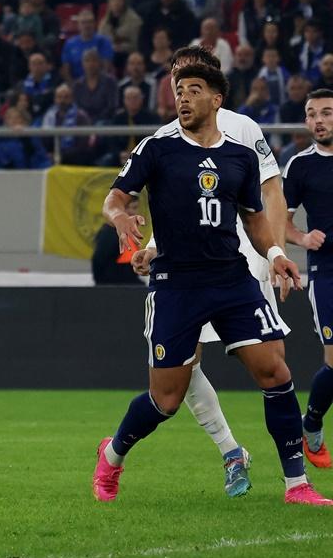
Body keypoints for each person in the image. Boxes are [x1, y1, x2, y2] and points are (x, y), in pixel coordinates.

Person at [98, 63, 331, 506]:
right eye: (178, 90)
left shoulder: (239, 156)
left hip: (230, 279)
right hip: (176, 286)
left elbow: (256, 221)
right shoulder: (158, 148)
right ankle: (112, 455)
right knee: (166, 398)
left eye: (193, 90)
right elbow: (115, 198)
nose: (182, 98)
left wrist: (278, 254)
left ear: (216, 100)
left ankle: (296, 486)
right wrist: (121, 217)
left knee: (275, 373)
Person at [132, 46, 290, 496]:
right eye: (176, 81)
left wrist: (273, 253)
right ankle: (230, 451)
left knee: (270, 365)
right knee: (182, 369)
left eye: (191, 81)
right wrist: (151, 247)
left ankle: (298, 457)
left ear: (214, 87)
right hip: (183, 273)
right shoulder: (164, 136)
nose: (182, 91)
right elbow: (172, 209)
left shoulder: (243, 129)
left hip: (241, 264)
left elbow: (270, 192)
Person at [282, 88, 333, 469]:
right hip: (326, 271)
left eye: (327, 113)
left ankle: (311, 423)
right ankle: (311, 425)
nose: (319, 120)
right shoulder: (299, 166)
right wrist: (301, 237)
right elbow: (276, 221)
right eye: (312, 114)